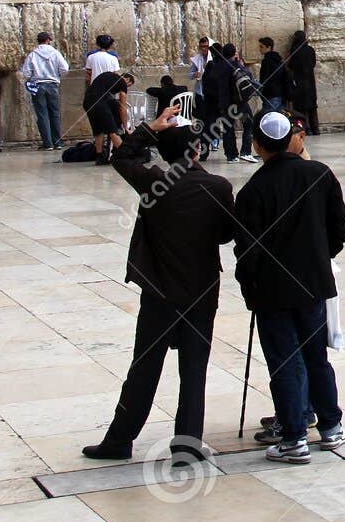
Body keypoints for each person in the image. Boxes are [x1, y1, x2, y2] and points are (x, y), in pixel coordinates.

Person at [82, 108, 236, 462]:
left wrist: (149, 129)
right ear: (196, 152)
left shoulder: (155, 182)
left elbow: (121, 156)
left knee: (145, 367)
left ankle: (120, 439)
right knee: (194, 370)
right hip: (201, 291)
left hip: (160, 292)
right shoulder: (218, 186)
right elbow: (227, 235)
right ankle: (186, 445)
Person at [234, 112, 345, 463]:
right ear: (291, 140)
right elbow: (339, 227)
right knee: (316, 357)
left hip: (273, 291)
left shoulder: (253, 190)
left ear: (257, 145)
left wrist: (249, 287)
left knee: (286, 363)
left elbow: (246, 249)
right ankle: (330, 427)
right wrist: (318, 256)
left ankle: (294, 438)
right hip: (313, 284)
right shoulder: (319, 175)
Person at [20, 32, 69, 150]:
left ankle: (47, 143)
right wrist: (57, 76)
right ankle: (57, 141)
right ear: (48, 40)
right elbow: (65, 69)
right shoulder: (56, 54)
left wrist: (34, 77)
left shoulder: (32, 55)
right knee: (55, 114)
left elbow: (26, 72)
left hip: (38, 85)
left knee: (42, 114)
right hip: (52, 85)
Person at [83, 66, 131, 165]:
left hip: (87, 102)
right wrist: (125, 127)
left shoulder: (108, 76)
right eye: (129, 85)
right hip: (100, 104)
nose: (127, 88)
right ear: (128, 80)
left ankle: (100, 157)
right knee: (112, 131)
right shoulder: (122, 82)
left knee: (98, 131)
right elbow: (123, 107)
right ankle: (128, 157)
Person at [286, 30, 319, 135]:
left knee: (301, 107)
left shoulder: (295, 50)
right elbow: (313, 63)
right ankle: (316, 128)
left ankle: (306, 128)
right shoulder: (310, 49)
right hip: (310, 81)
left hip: (299, 81)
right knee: (312, 106)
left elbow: (291, 65)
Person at [257, 37, 290, 111]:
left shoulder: (267, 61)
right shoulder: (278, 60)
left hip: (270, 95)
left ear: (269, 47)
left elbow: (264, 79)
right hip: (280, 94)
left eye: (262, 47)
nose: (260, 49)